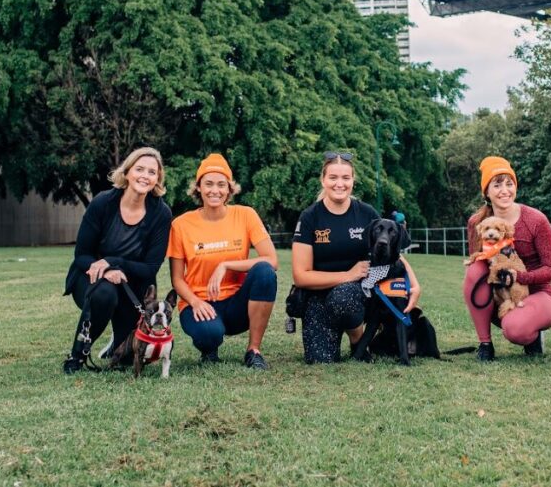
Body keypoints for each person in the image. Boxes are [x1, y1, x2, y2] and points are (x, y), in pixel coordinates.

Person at [291, 151, 421, 364]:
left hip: (354, 295)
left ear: (353, 181)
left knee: (344, 297)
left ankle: (357, 338)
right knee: (319, 359)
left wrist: (414, 285)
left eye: (345, 178)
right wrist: (348, 274)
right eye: (333, 177)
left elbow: (390, 251)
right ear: (323, 180)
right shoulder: (309, 217)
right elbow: (300, 277)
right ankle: (340, 334)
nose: (339, 184)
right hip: (318, 296)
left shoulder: (366, 213)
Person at [62, 147, 173, 374]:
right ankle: (77, 354)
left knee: (126, 357)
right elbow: (82, 255)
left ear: (158, 179)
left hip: (134, 286)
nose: (145, 176)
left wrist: (113, 262)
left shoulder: (161, 213)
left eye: (152, 172)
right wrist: (106, 271)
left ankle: (117, 341)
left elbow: (151, 267)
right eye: (139, 169)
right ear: (127, 172)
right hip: (92, 280)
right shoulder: (103, 202)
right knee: (105, 293)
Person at [167, 153, 278, 370]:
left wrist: (225, 265)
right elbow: (177, 279)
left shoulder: (246, 215)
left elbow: (272, 260)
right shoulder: (181, 224)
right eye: (208, 184)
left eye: (221, 184)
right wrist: (195, 302)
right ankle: (209, 348)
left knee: (264, 271)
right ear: (198, 187)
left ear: (229, 189)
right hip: (200, 302)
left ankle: (253, 350)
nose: (214, 190)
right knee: (209, 334)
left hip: (238, 304)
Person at [462, 156, 551, 361]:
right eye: (497, 185)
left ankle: (532, 330)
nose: (505, 190)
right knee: (474, 270)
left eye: (509, 183)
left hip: (540, 293)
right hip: (501, 293)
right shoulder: (477, 222)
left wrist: (519, 277)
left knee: (516, 329)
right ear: (487, 192)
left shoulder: (536, 219)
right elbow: (479, 265)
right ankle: (485, 344)